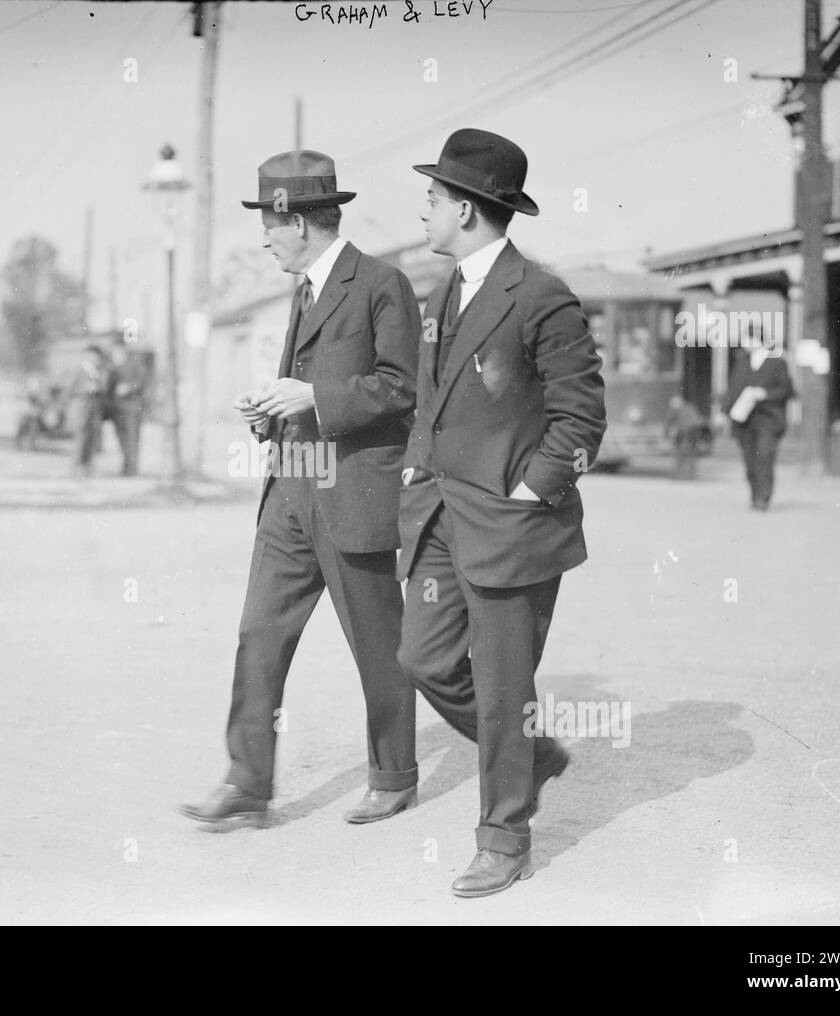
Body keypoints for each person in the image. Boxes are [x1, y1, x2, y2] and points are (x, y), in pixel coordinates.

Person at [179, 150, 421, 828]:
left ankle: (395, 775)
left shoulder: (382, 284)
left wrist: (313, 394)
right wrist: (271, 409)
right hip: (290, 490)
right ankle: (247, 785)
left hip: (350, 494)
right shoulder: (306, 287)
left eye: (268, 222)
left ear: (299, 220)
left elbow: (405, 388)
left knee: (376, 641)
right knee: (259, 634)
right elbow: (307, 389)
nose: (263, 237)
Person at [396, 129, 607, 897]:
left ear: (467, 209)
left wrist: (531, 489)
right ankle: (537, 756)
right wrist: (420, 461)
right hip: (440, 515)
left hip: (513, 526)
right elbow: (433, 397)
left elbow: (581, 418)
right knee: (421, 658)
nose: (423, 211)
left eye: (432, 200)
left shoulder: (540, 295)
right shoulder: (442, 290)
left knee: (504, 686)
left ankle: (505, 836)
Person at [721, 335, 794, 510]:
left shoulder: (776, 362)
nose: (746, 344)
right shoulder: (742, 362)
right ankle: (755, 495)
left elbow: (787, 390)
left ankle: (764, 497)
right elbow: (733, 389)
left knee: (764, 455)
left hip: (768, 417)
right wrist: (724, 412)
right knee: (749, 459)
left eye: (750, 339)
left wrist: (765, 394)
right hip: (744, 419)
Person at [104, 335, 149, 476]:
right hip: (117, 408)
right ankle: (126, 467)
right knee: (121, 438)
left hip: (132, 407)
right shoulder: (111, 365)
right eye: (114, 350)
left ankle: (132, 468)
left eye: (118, 349)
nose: (116, 352)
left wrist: (128, 387)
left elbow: (142, 380)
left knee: (132, 438)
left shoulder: (134, 363)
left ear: (124, 349)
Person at [71, 344, 110, 475]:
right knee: (81, 437)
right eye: (91, 356)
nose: (94, 359)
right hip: (82, 406)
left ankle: (88, 465)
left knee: (92, 437)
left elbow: (105, 387)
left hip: (95, 407)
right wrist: (85, 388)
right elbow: (70, 388)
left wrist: (97, 385)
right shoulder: (79, 370)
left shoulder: (100, 371)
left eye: (96, 356)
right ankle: (77, 465)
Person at [665, 394, 707, 480]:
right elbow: (700, 420)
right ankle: (691, 474)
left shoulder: (676, 409)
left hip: (686, 432)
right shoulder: (690, 407)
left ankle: (680, 474)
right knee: (691, 453)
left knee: (680, 453)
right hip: (695, 432)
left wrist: (666, 434)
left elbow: (669, 422)